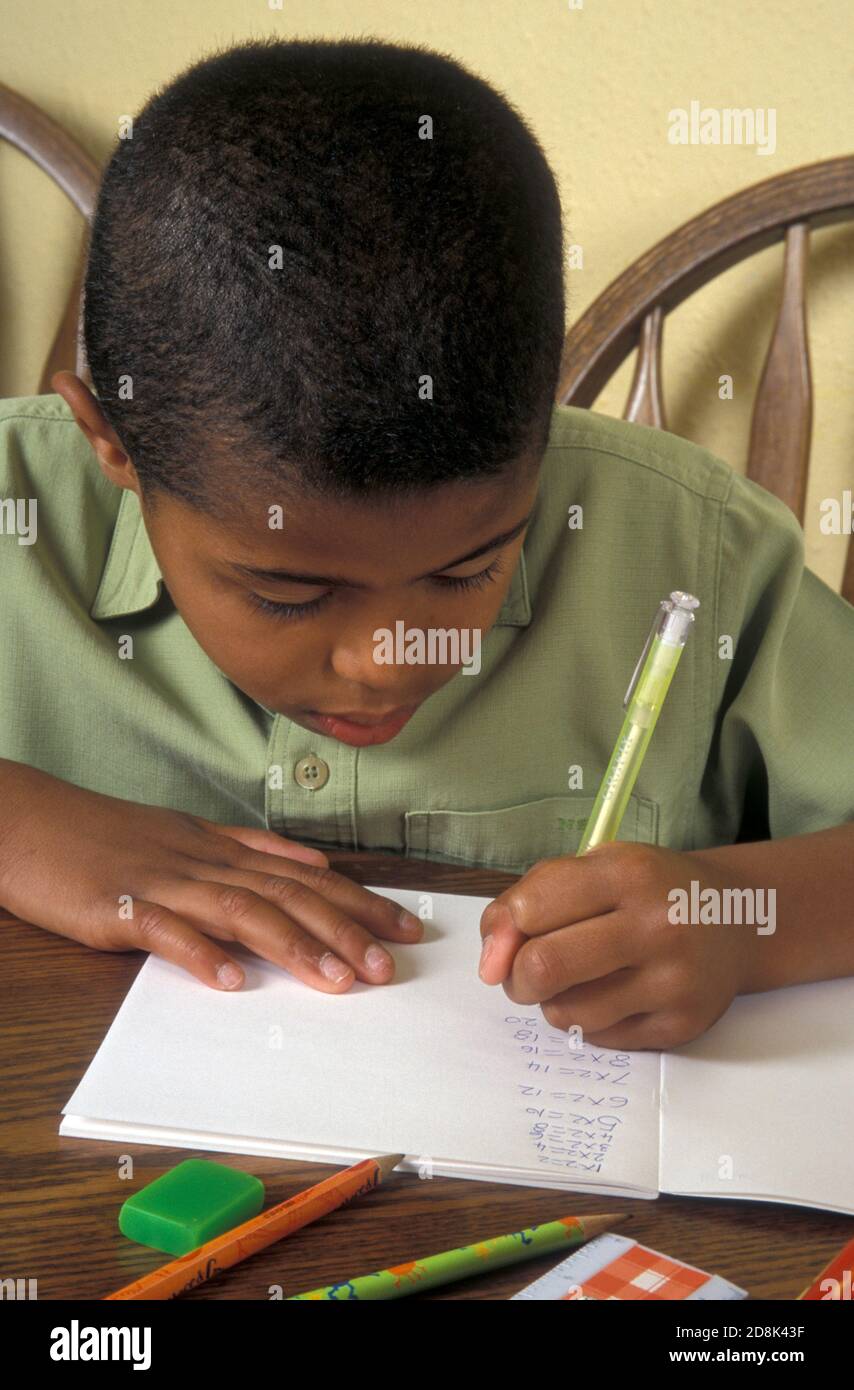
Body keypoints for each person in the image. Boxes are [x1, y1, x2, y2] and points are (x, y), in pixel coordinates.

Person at [2, 37, 853, 1050]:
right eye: (286, 592)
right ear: (115, 445)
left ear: (538, 436)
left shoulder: (688, 547)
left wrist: (744, 918)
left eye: (465, 567)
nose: (388, 656)